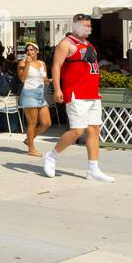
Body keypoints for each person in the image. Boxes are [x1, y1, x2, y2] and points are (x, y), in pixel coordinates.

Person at [43, 14, 113, 182]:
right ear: (75, 26)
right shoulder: (66, 44)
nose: (88, 28)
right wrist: (58, 89)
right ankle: (51, 156)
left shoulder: (88, 44)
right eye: (84, 25)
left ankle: (93, 169)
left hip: (92, 92)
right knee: (77, 130)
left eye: (89, 26)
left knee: (94, 130)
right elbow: (56, 66)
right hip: (76, 92)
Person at [18, 42, 51, 157]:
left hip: (40, 95)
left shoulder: (42, 63)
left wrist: (47, 81)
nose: (29, 51)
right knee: (32, 123)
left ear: (37, 51)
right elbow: (22, 79)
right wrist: (27, 64)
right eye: (27, 50)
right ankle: (31, 149)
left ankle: (29, 139)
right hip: (29, 94)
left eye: (32, 49)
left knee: (46, 123)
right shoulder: (22, 63)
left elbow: (44, 78)